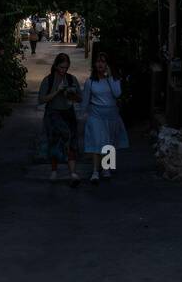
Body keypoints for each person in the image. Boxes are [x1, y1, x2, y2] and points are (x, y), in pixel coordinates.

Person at [80, 52, 128, 184]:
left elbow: (117, 94)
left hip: (111, 116)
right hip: (96, 115)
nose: (100, 64)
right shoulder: (90, 81)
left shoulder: (114, 79)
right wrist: (81, 115)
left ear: (108, 65)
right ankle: (95, 171)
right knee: (96, 142)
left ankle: (106, 168)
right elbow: (85, 100)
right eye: (98, 61)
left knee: (109, 142)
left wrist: (110, 76)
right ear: (94, 64)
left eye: (103, 61)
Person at [39, 53, 82, 186]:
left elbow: (80, 99)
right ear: (56, 66)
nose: (64, 70)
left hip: (68, 113)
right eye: (62, 67)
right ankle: (54, 170)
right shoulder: (49, 80)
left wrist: (72, 95)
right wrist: (57, 91)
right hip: (53, 114)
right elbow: (41, 99)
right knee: (54, 142)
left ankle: (72, 173)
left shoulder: (71, 79)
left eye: (66, 68)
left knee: (71, 142)